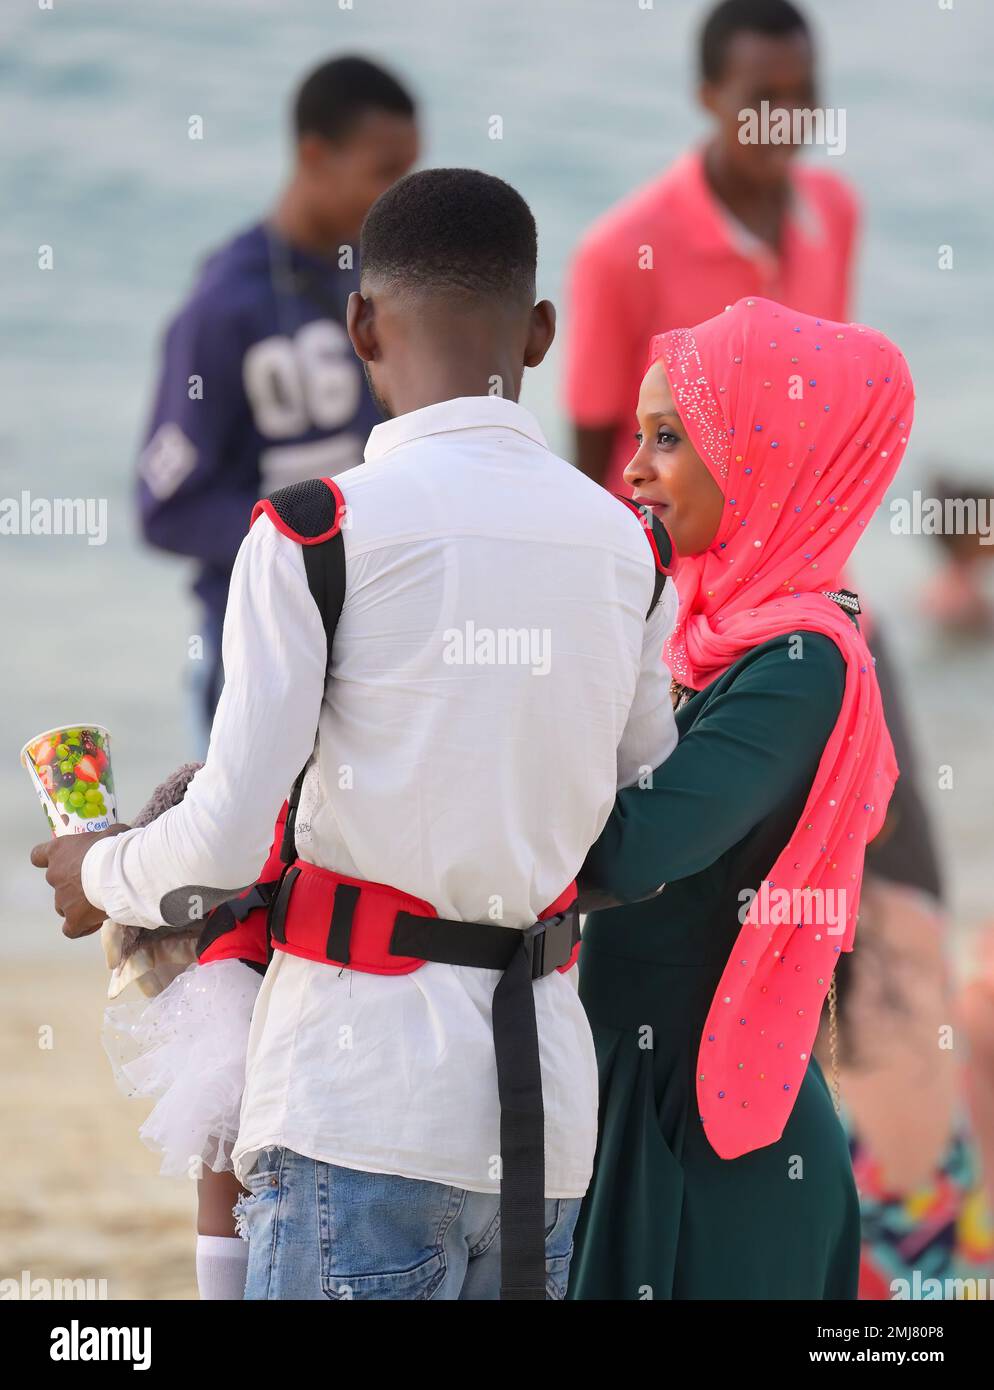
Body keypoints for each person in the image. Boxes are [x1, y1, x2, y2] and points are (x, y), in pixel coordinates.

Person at [32, 168, 680, 1301]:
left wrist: (105, 869)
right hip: (546, 1120)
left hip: (357, 1098)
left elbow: (229, 844)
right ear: (537, 335)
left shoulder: (315, 533)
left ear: (360, 326)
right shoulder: (628, 550)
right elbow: (638, 808)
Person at [567, 296, 914, 1300]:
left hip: (710, 1129)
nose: (633, 468)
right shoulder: (710, 633)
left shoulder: (801, 657)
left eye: (670, 438)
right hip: (638, 1088)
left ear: (767, 454)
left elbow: (626, 853)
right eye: (639, 434)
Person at [138, 55, 419, 748]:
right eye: (384, 172)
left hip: (378, 635)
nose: (399, 197)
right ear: (315, 155)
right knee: (246, 855)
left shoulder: (388, 288)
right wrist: (311, 541)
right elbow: (168, 506)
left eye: (410, 173)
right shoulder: (224, 306)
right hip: (253, 645)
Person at [565, 0, 858, 493]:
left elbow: (831, 390)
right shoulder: (621, 250)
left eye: (803, 93)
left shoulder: (834, 210)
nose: (786, 119)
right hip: (666, 554)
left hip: (796, 546)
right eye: (763, 99)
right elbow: (591, 454)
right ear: (709, 97)